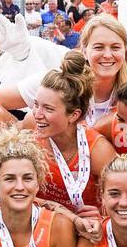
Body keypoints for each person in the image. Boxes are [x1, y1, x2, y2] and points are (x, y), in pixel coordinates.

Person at [23, 50, 118, 218]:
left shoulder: (98, 151)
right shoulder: (31, 125)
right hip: (44, 227)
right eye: (36, 104)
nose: (38, 114)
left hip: (87, 232)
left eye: (48, 109)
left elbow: (122, 203)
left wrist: (103, 217)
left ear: (73, 115)